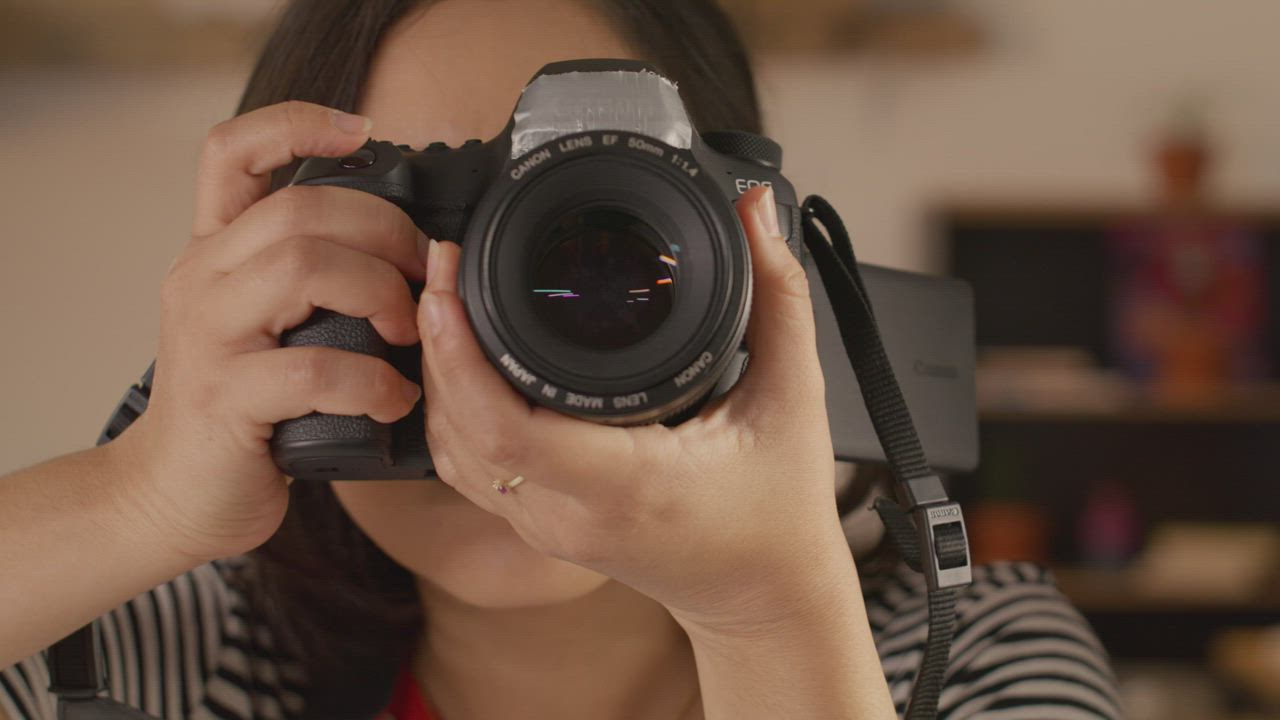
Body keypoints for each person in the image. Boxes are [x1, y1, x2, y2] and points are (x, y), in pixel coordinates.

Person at [0, 1, 1125, 718]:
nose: (498, 357)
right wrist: (141, 494)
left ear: (754, 258)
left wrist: (767, 612)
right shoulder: (173, 661)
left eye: (597, 242)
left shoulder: (967, 648)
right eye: (424, 247)